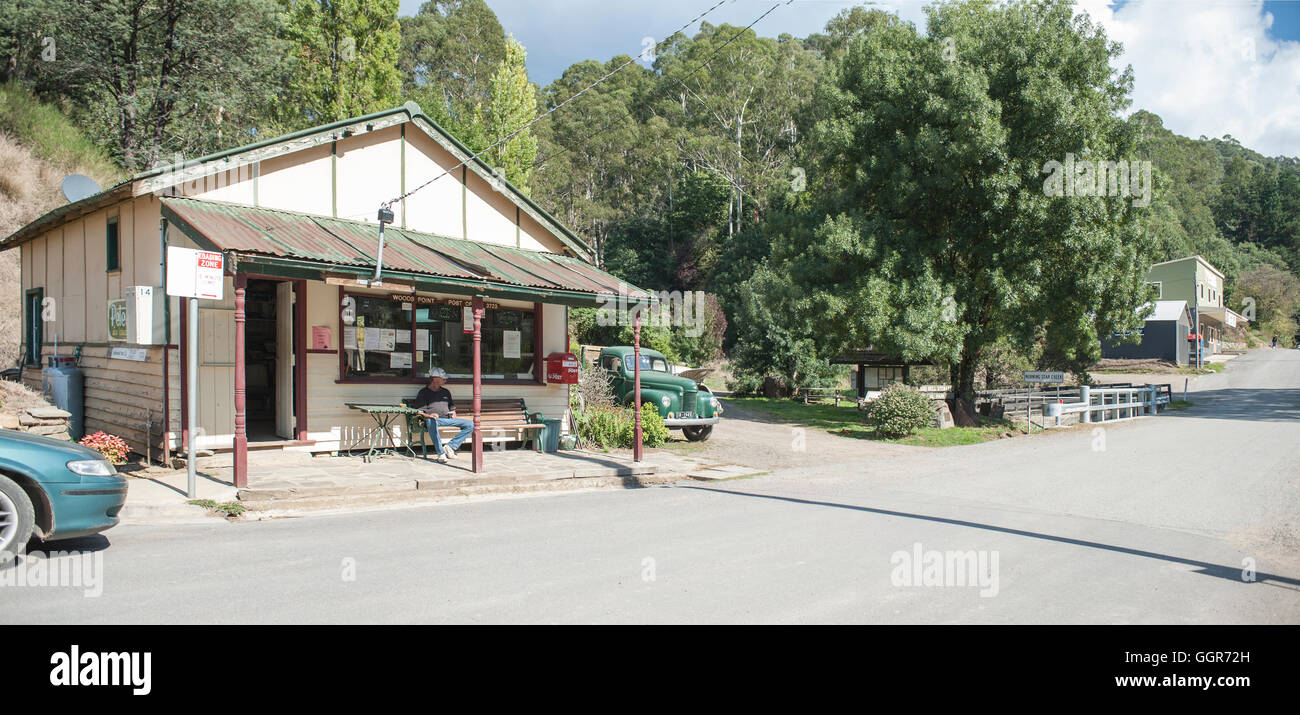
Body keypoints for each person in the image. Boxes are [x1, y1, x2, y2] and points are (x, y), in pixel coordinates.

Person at [413, 368, 474, 463]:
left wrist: (453, 411)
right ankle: (441, 453)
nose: (446, 380)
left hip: (447, 419)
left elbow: (452, 406)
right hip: (432, 420)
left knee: (470, 424)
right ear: (435, 379)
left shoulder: (446, 392)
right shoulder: (423, 392)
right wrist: (429, 415)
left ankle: (450, 447)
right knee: (431, 421)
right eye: (443, 379)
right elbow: (419, 411)